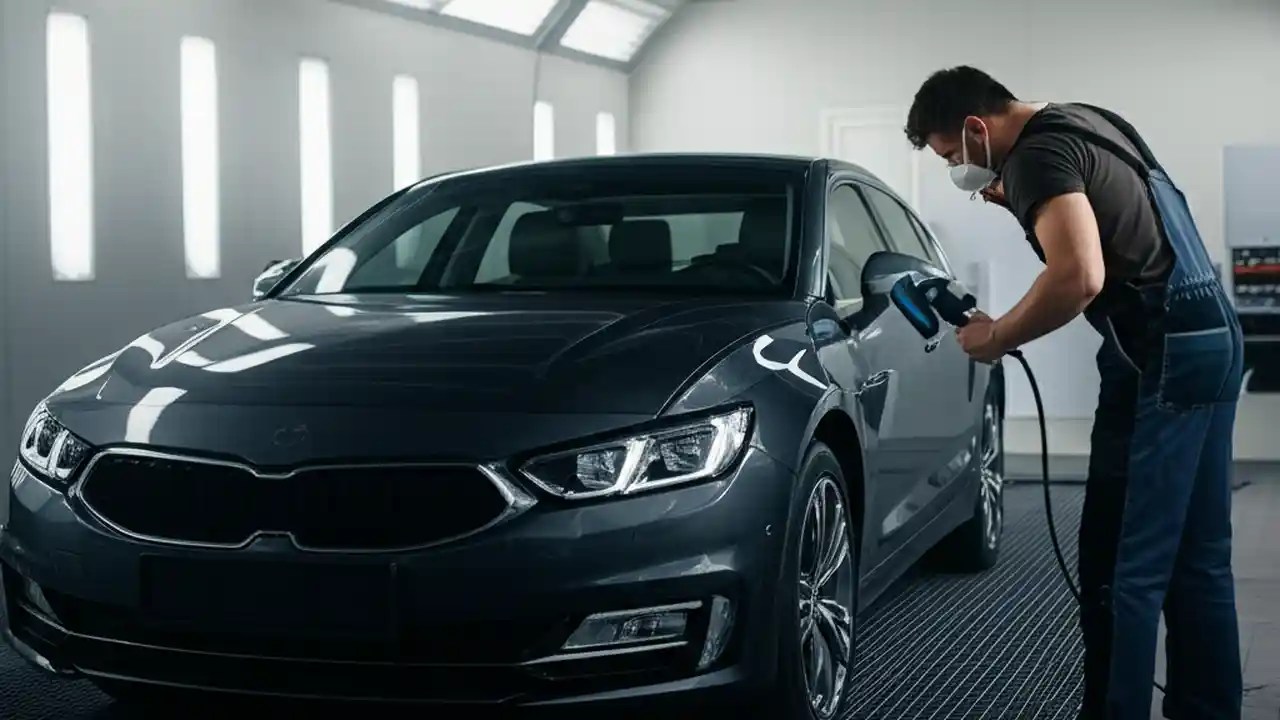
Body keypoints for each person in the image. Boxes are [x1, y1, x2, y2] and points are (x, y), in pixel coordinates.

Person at [903, 66, 1245, 720]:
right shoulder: (1087, 120)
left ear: (977, 127)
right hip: (1209, 338)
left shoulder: (1036, 158)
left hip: (1160, 356)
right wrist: (1020, 205)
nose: (957, 173)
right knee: (1200, 561)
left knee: (1122, 566)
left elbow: (1079, 276)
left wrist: (999, 335)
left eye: (951, 157)